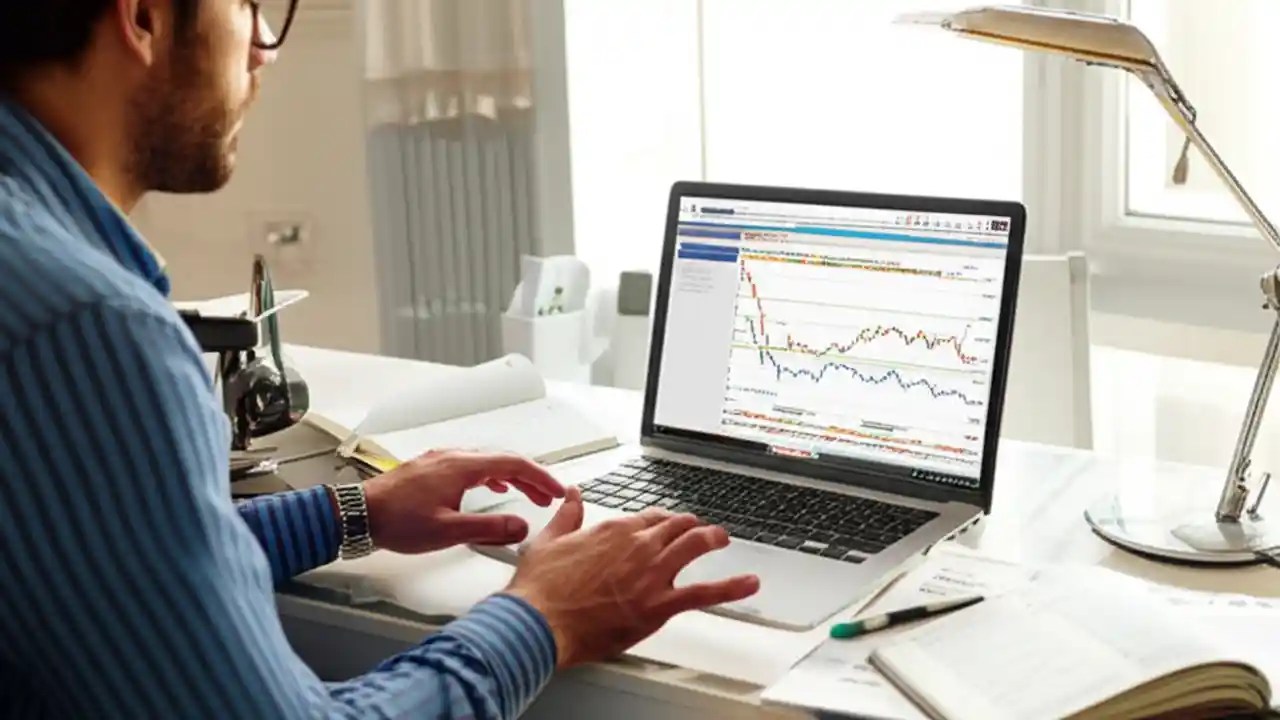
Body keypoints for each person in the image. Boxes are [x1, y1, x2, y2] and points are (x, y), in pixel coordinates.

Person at [0, 1, 760, 717]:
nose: (264, 47)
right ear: (142, 17)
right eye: (245, 7)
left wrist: (354, 512)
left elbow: (123, 569)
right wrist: (544, 616)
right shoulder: (89, 331)